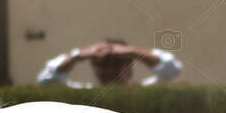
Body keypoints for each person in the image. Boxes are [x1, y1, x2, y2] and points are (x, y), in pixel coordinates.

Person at [36, 39, 183, 88]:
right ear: (94, 68)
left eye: (116, 64)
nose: (109, 70)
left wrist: (132, 51)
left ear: (129, 67)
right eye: (103, 65)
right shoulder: (83, 93)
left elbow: (172, 70)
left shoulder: (145, 90)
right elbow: (46, 81)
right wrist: (80, 55)